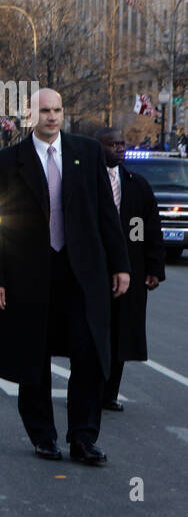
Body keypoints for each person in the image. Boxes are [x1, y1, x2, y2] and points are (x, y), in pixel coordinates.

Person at [0, 89, 130, 466]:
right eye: (44, 111)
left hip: (82, 273)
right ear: (30, 115)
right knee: (33, 354)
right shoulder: (7, 161)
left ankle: (83, 438)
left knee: (89, 353)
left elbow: (106, 215)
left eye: (58, 110)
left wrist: (120, 265)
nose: (52, 117)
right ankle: (43, 436)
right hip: (29, 274)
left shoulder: (88, 152)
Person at [95, 128, 166, 412]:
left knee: (121, 335)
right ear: (99, 148)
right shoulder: (87, 182)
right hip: (94, 270)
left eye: (122, 144)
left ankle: (110, 393)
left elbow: (152, 230)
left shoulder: (138, 186)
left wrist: (154, 269)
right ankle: (88, 388)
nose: (120, 149)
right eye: (113, 145)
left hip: (130, 273)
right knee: (92, 333)